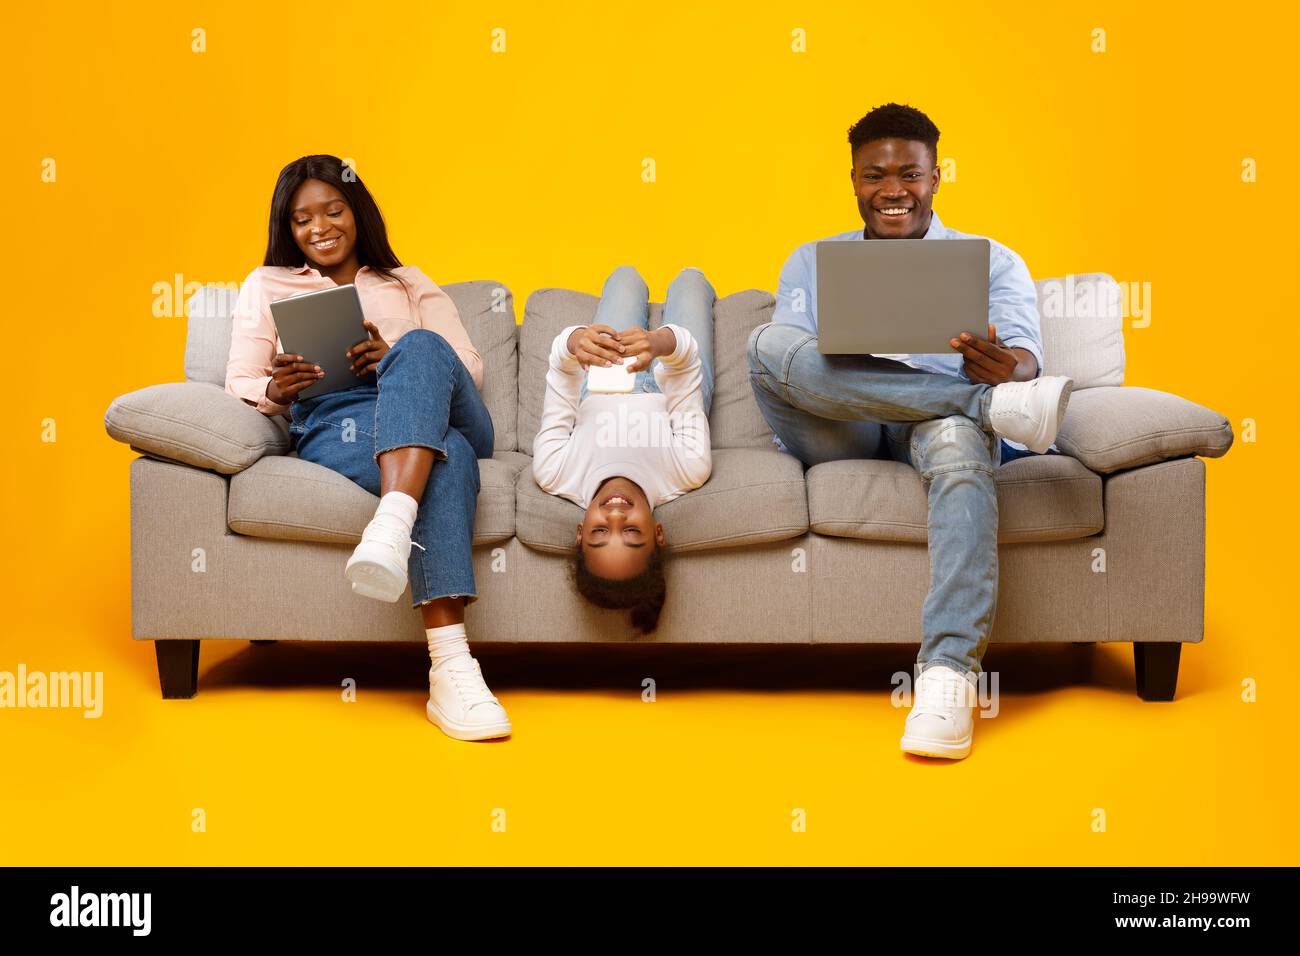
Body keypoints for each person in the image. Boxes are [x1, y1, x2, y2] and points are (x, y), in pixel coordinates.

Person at [747, 104, 1074, 760]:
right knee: (764, 342)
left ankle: (948, 680)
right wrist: (990, 395)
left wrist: (1011, 368)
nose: (893, 190)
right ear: (853, 181)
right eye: (875, 175)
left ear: (936, 177)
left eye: (910, 174)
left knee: (957, 446)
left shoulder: (993, 260)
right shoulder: (811, 261)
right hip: (843, 425)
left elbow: (1029, 358)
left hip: (936, 429)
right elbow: (796, 366)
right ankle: (985, 406)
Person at [224, 154, 511, 741]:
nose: (321, 227)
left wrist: (396, 355)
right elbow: (239, 381)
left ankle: (392, 517)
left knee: (425, 348)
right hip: (338, 423)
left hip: (438, 403)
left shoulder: (409, 282)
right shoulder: (267, 284)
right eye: (303, 219)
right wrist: (277, 389)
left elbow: (472, 369)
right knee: (444, 456)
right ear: (288, 227)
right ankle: (452, 670)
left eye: (334, 211)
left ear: (359, 214)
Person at [532, 265, 716, 633]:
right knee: (691, 281)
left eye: (600, 533)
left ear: (580, 533)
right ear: (658, 534)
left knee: (625, 278)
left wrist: (575, 343)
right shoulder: (687, 470)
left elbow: (561, 375)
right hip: (670, 384)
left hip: (600, 378)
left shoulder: (555, 472)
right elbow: (687, 368)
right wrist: (660, 343)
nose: (615, 518)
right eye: (632, 533)